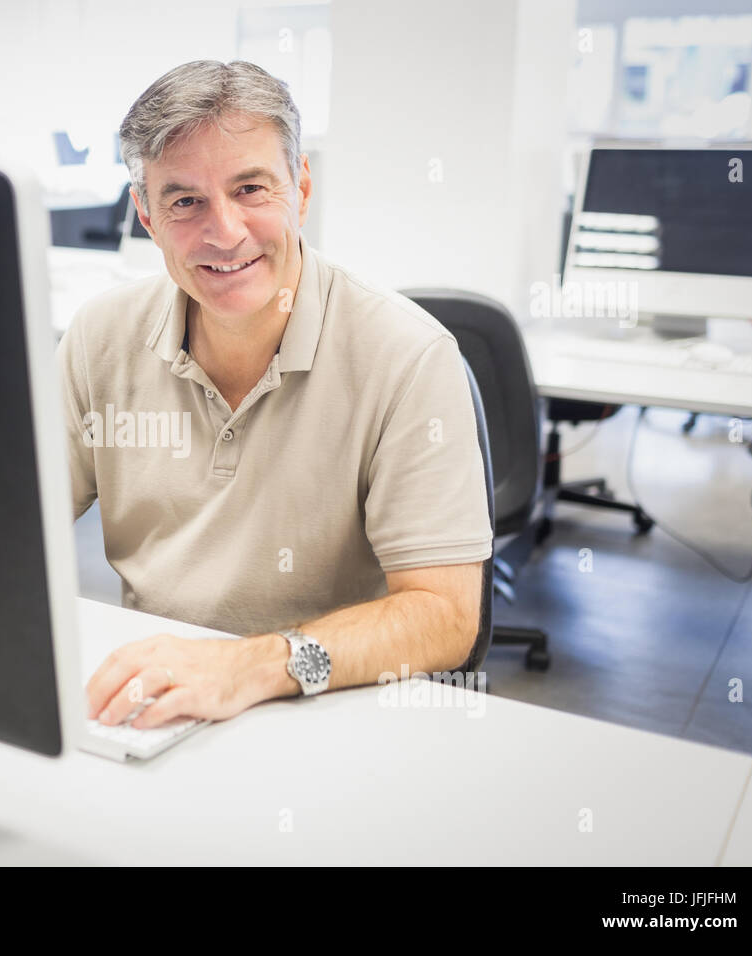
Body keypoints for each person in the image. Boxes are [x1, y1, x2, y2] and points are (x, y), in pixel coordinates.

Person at [60, 61, 493, 729]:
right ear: (145, 212)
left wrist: (255, 667)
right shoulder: (100, 335)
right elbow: (8, 523)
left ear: (302, 189)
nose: (225, 231)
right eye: (184, 201)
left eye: (251, 188)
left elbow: (445, 618)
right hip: (160, 706)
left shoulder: (408, 356)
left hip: (334, 705)